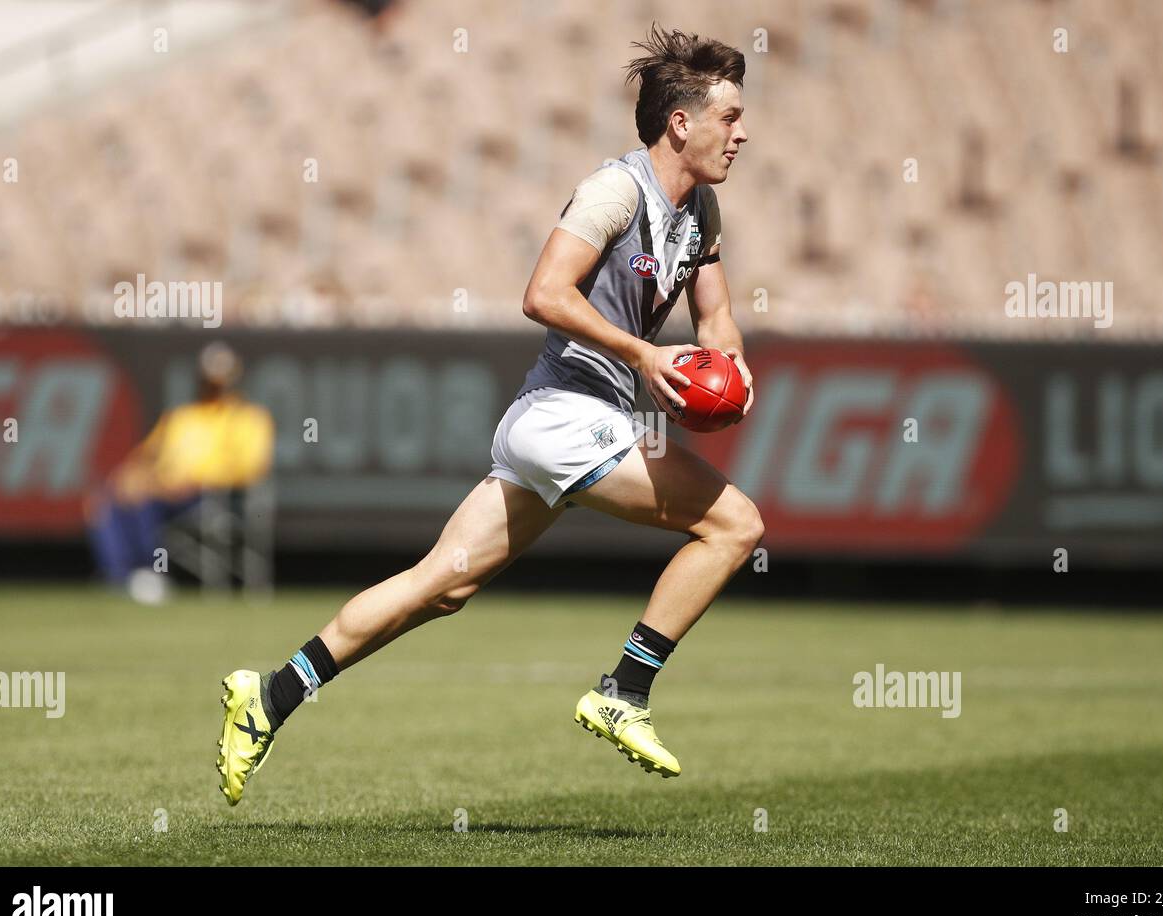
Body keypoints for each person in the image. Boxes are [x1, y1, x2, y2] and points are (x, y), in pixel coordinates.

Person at [217, 24, 759, 805]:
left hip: (563, 423)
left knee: (439, 586)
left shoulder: (700, 214)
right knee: (736, 525)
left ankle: (267, 697)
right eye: (730, 116)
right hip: (567, 413)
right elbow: (543, 294)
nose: (741, 133)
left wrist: (732, 362)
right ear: (682, 122)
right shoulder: (616, 190)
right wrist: (643, 356)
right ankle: (626, 690)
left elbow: (717, 321)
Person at [86, 342, 273, 603]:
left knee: (145, 503)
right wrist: (132, 476)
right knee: (109, 499)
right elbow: (146, 456)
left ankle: (151, 574)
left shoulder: (249, 419)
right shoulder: (181, 417)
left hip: (214, 496)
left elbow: (251, 468)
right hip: (166, 490)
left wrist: (197, 481)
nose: (215, 385)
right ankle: (122, 576)